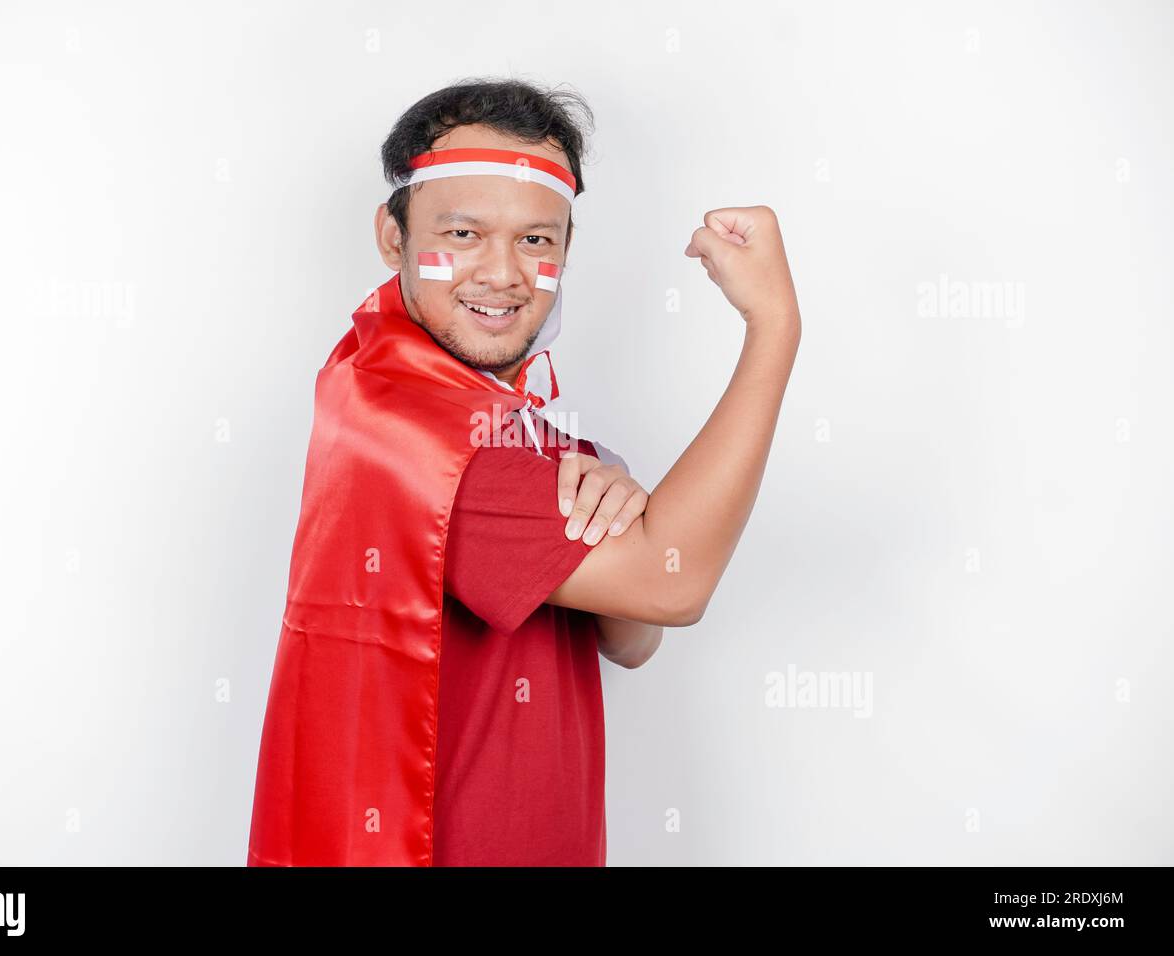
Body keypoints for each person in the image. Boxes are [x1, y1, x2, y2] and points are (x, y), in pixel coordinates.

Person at [247, 78, 801, 867]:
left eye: (536, 240)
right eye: (463, 233)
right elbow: (671, 587)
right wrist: (773, 326)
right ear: (393, 237)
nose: (503, 272)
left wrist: (619, 492)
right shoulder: (425, 429)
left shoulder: (456, 400)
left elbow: (631, 635)